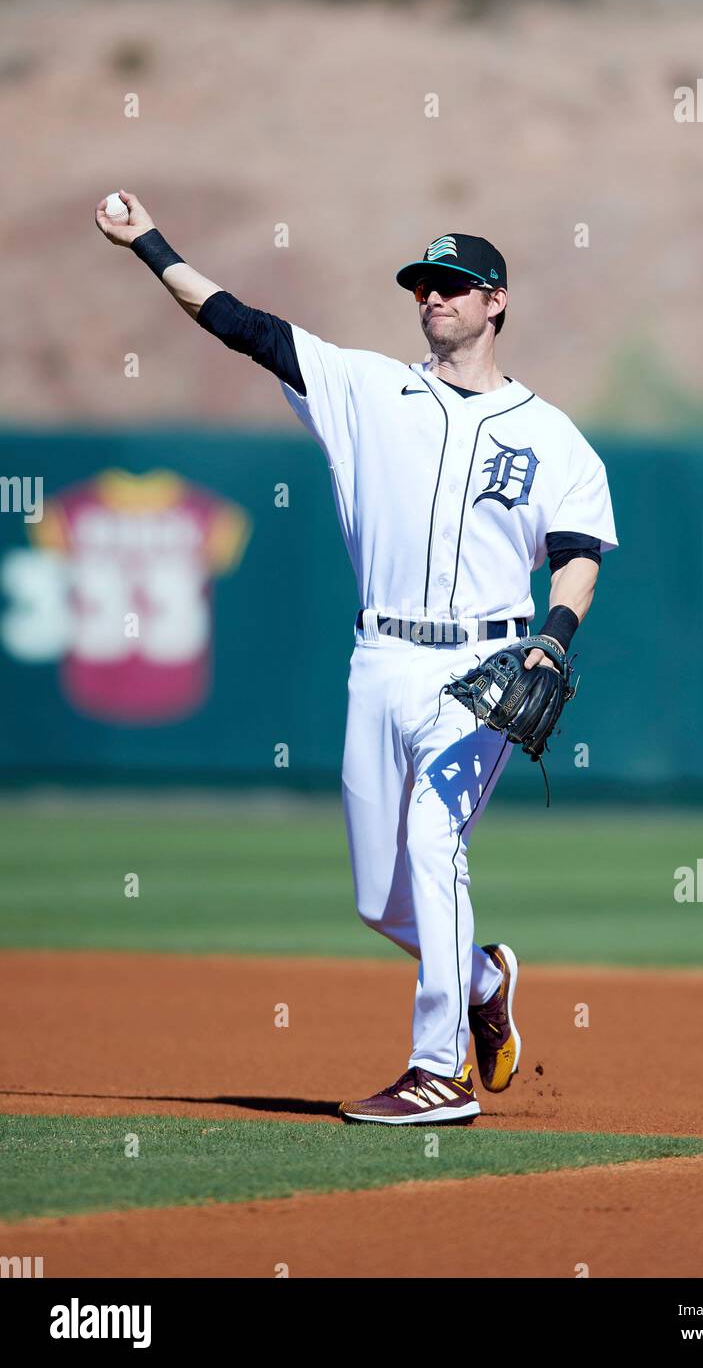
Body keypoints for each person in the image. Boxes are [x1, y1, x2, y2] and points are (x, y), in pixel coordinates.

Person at [95, 195, 618, 1125]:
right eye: (423, 285)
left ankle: (437, 1070)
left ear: (496, 301)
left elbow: (578, 553)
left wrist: (555, 635)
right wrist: (149, 245)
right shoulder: (364, 388)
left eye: (453, 286)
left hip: (484, 673)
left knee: (434, 843)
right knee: (381, 898)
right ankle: (485, 978)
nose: (434, 298)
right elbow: (236, 323)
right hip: (378, 658)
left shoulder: (553, 436)